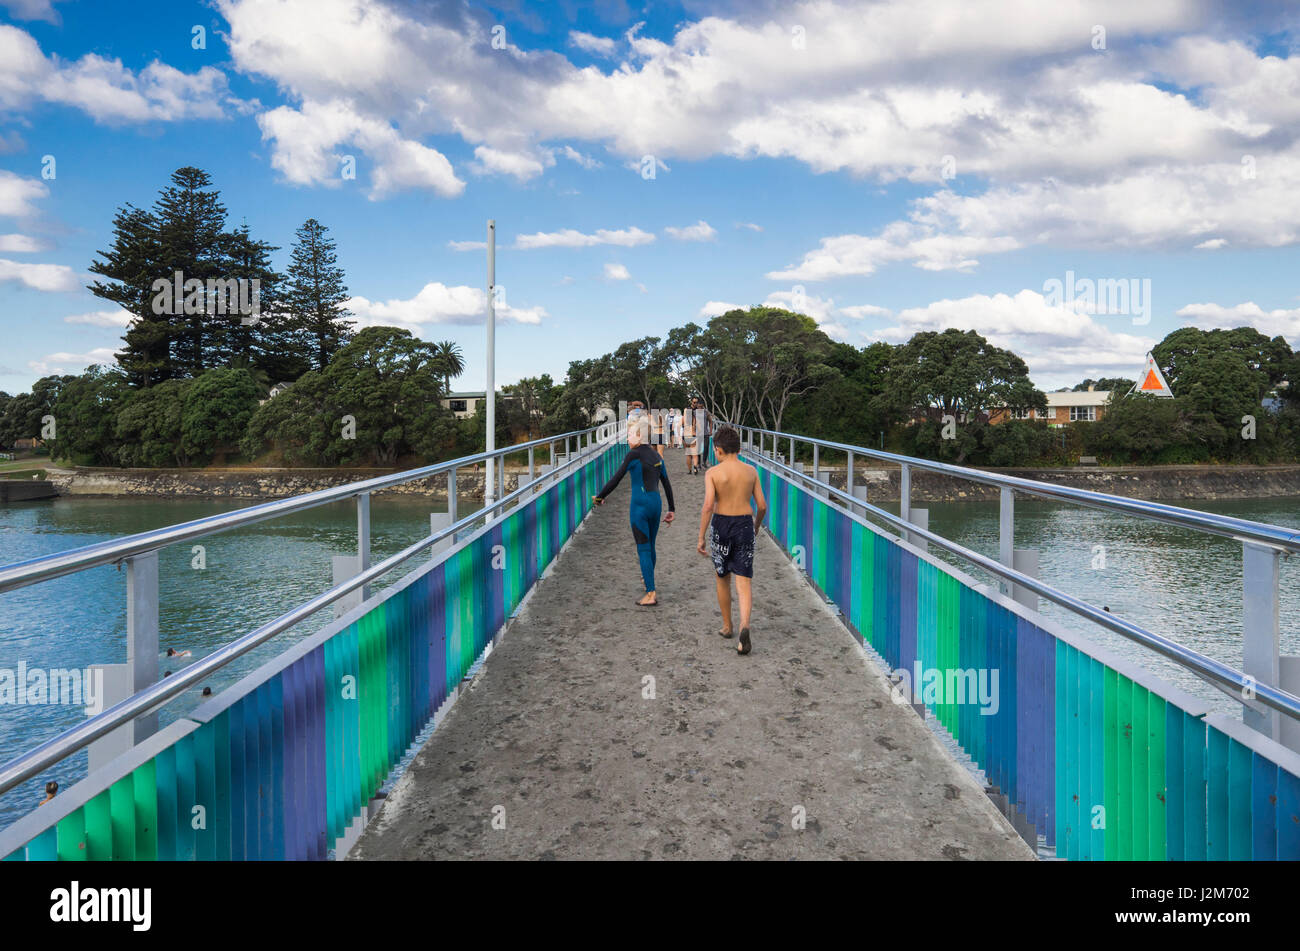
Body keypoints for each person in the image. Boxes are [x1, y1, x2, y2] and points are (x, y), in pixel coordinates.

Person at [697, 426, 766, 654]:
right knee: (744, 580)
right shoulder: (751, 471)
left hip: (722, 525)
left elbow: (708, 506)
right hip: (745, 524)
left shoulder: (713, 473)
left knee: (722, 577)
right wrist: (755, 527)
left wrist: (701, 537)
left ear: (718, 450)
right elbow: (762, 506)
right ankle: (744, 627)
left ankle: (727, 626)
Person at [592, 416, 675, 605]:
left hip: (640, 506)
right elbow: (666, 483)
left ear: (639, 435)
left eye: (629, 434)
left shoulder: (633, 455)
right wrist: (672, 509)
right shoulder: (657, 456)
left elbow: (616, 478)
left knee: (643, 548)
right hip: (656, 503)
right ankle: (648, 580)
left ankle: (651, 594)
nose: (627, 438)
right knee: (651, 545)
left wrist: (599, 497)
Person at [682, 406, 700, 474]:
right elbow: (699, 428)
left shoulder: (684, 418)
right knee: (695, 455)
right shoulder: (694, 418)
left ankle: (689, 471)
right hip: (693, 436)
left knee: (688, 455)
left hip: (686, 436)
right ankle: (695, 467)